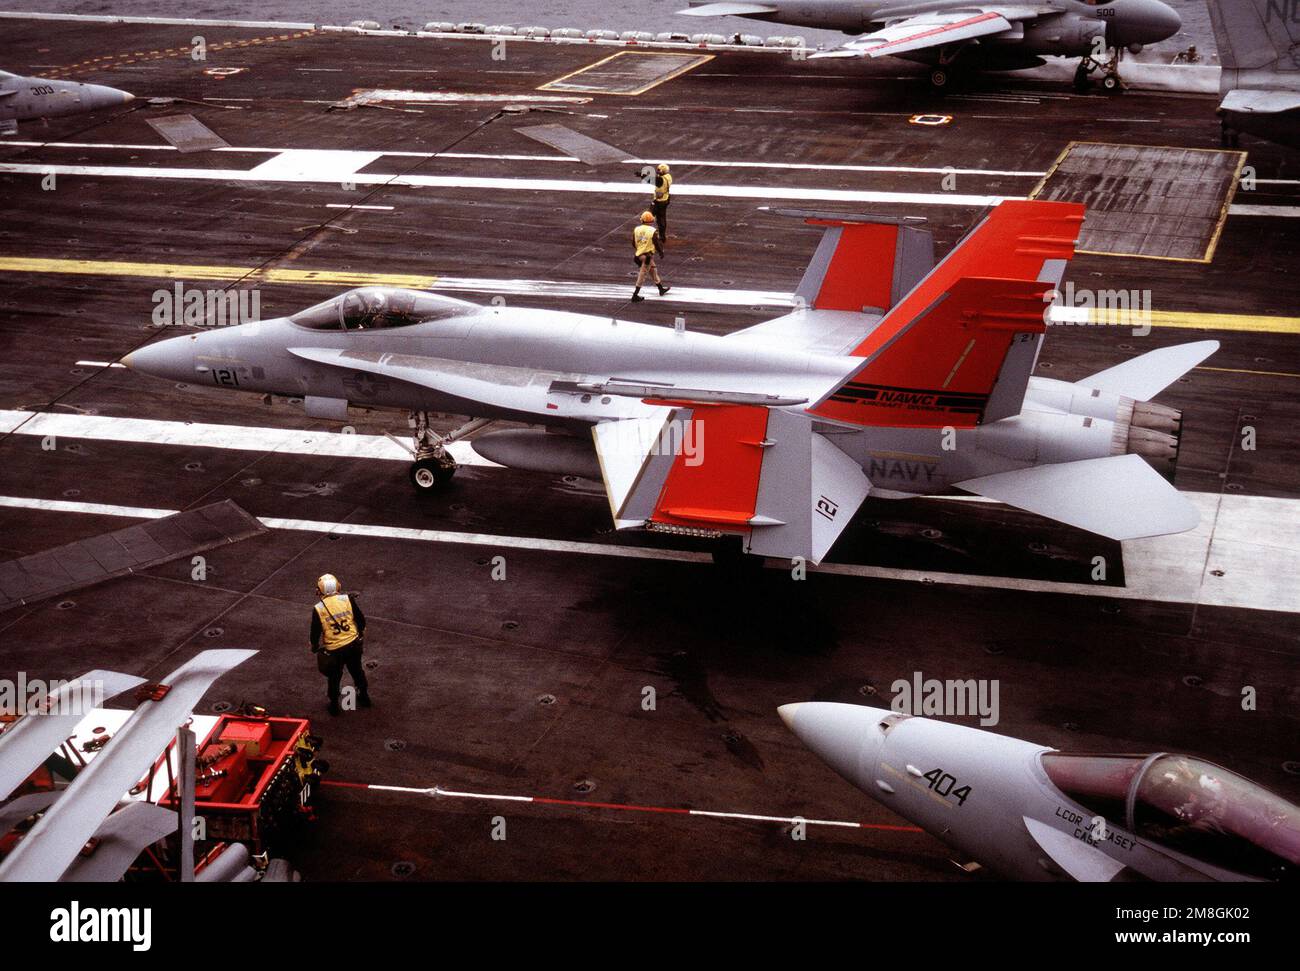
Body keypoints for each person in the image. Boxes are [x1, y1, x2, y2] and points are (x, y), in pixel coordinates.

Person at [309, 573, 371, 715]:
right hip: (353, 645)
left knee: (334, 677)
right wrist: (360, 635)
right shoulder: (347, 599)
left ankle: (334, 706)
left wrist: (314, 646)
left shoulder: (319, 608)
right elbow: (360, 620)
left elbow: (315, 632)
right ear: (338, 586)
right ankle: (365, 697)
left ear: (319, 590)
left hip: (335, 650)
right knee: (357, 671)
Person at [631, 211, 670, 303]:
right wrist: (661, 252)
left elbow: (633, 243)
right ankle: (635, 295)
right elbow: (656, 243)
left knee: (653, 270)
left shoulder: (636, 229)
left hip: (638, 255)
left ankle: (660, 289)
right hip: (647, 256)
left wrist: (640, 249)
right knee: (642, 274)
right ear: (652, 220)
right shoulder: (652, 231)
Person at [651, 163, 672, 246]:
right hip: (665, 199)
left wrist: (642, 175)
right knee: (662, 218)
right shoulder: (669, 177)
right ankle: (662, 236)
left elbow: (653, 180)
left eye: (659, 170)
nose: (657, 171)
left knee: (649, 215)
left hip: (658, 201)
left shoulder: (661, 180)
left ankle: (647, 233)